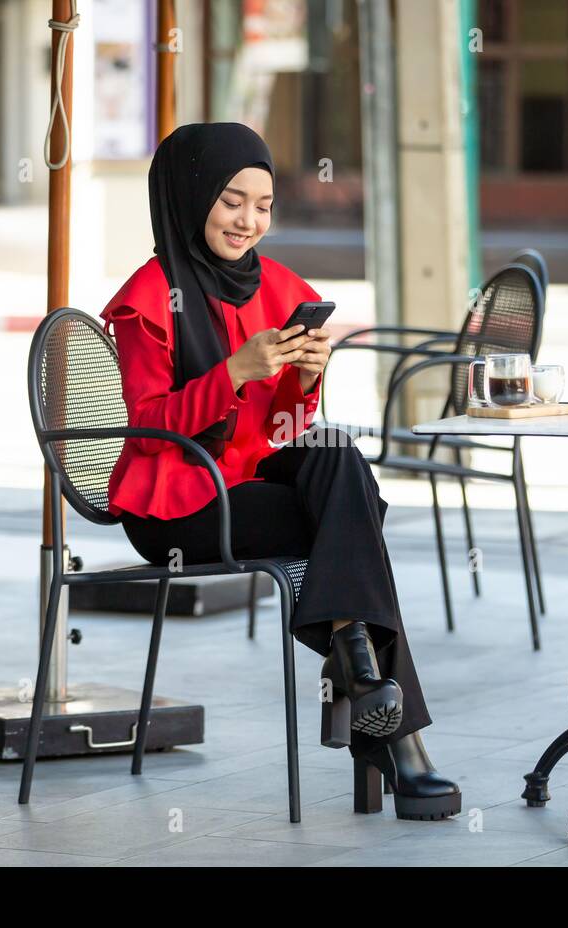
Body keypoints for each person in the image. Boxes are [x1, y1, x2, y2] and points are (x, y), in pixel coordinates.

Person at [99, 122, 460, 821]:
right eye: (232, 200)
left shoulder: (280, 286)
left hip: (249, 475)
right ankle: (395, 737)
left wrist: (304, 380)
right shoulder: (148, 299)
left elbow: (282, 427)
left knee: (338, 459)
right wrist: (232, 373)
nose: (249, 220)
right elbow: (145, 434)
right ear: (190, 194)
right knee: (352, 530)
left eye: (264, 204)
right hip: (175, 500)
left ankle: (357, 660)